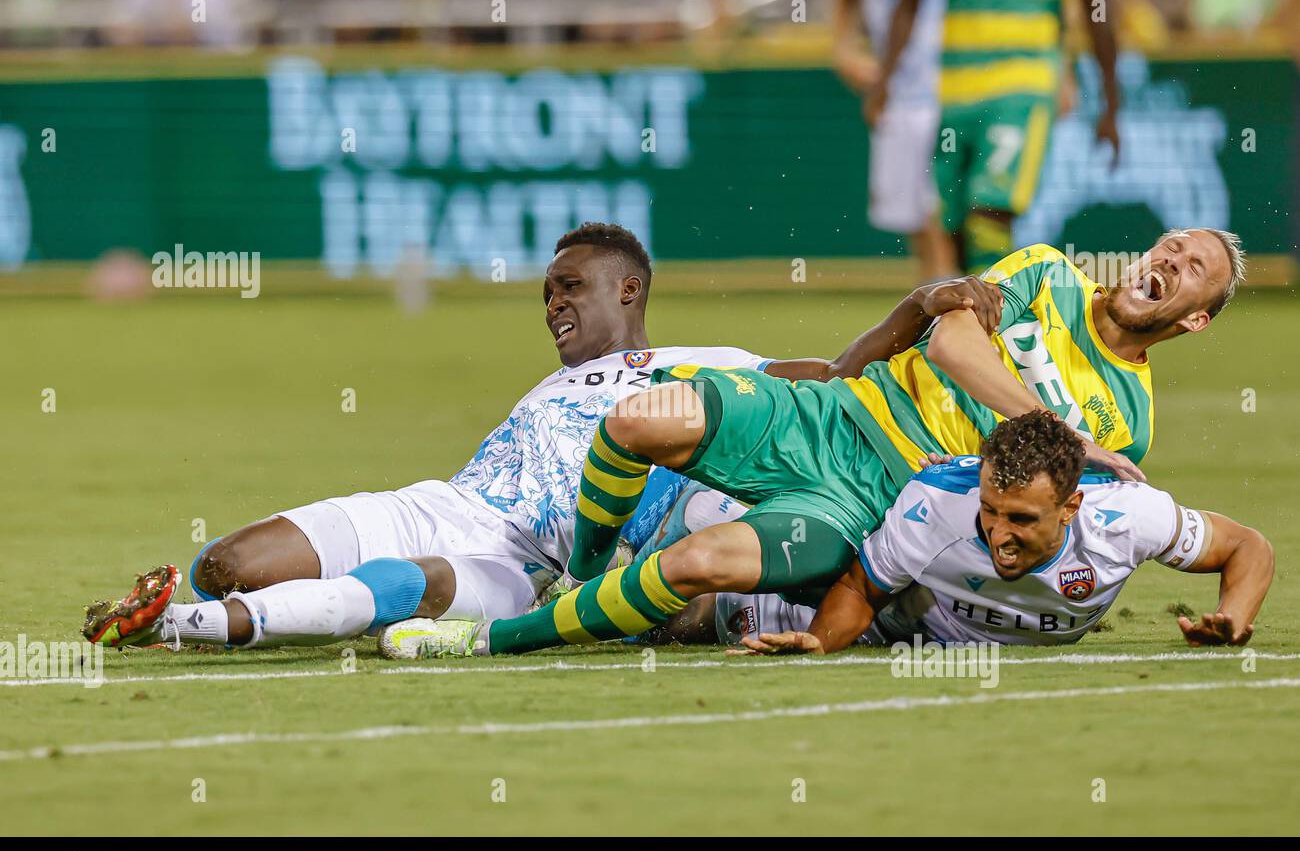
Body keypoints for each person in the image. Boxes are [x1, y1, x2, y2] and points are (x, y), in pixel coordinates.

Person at [82, 223, 1001, 651]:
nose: (553, 304)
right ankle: (200, 600)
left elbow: (840, 378)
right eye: (547, 294)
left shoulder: (713, 364)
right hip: (443, 502)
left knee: (405, 591)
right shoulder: (552, 383)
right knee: (229, 560)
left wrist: (921, 304)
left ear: (629, 290)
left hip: (532, 564)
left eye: (571, 288)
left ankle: (178, 630)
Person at [423, 228, 1244, 659]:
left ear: (1197, 317)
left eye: (1194, 266)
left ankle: (492, 638)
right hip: (829, 413)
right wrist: (1057, 425)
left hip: (874, 498)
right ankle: (578, 575)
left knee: (696, 566)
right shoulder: (1047, 273)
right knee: (637, 420)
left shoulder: (1130, 420)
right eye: (1171, 245)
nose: (1170, 259)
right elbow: (954, 341)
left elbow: (1044, 514)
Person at [722, 412, 1272, 654]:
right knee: (699, 613)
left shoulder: (1128, 517)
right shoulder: (936, 506)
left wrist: (1234, 619)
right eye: (990, 510)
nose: (998, 534)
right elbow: (861, 590)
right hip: (897, 625)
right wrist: (819, 641)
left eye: (1022, 519)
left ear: (1070, 507)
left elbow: (1248, 545)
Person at [870, 0, 1121, 274]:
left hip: (1021, 89)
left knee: (990, 210)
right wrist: (885, 80)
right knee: (951, 221)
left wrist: (1111, 102)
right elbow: (909, 1)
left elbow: (1097, 5)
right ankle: (973, 302)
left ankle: (989, 313)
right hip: (955, 94)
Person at [830, 0, 955, 279]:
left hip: (956, 85)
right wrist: (845, 51)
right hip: (899, 94)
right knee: (910, 208)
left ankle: (955, 294)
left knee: (942, 203)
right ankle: (939, 289)